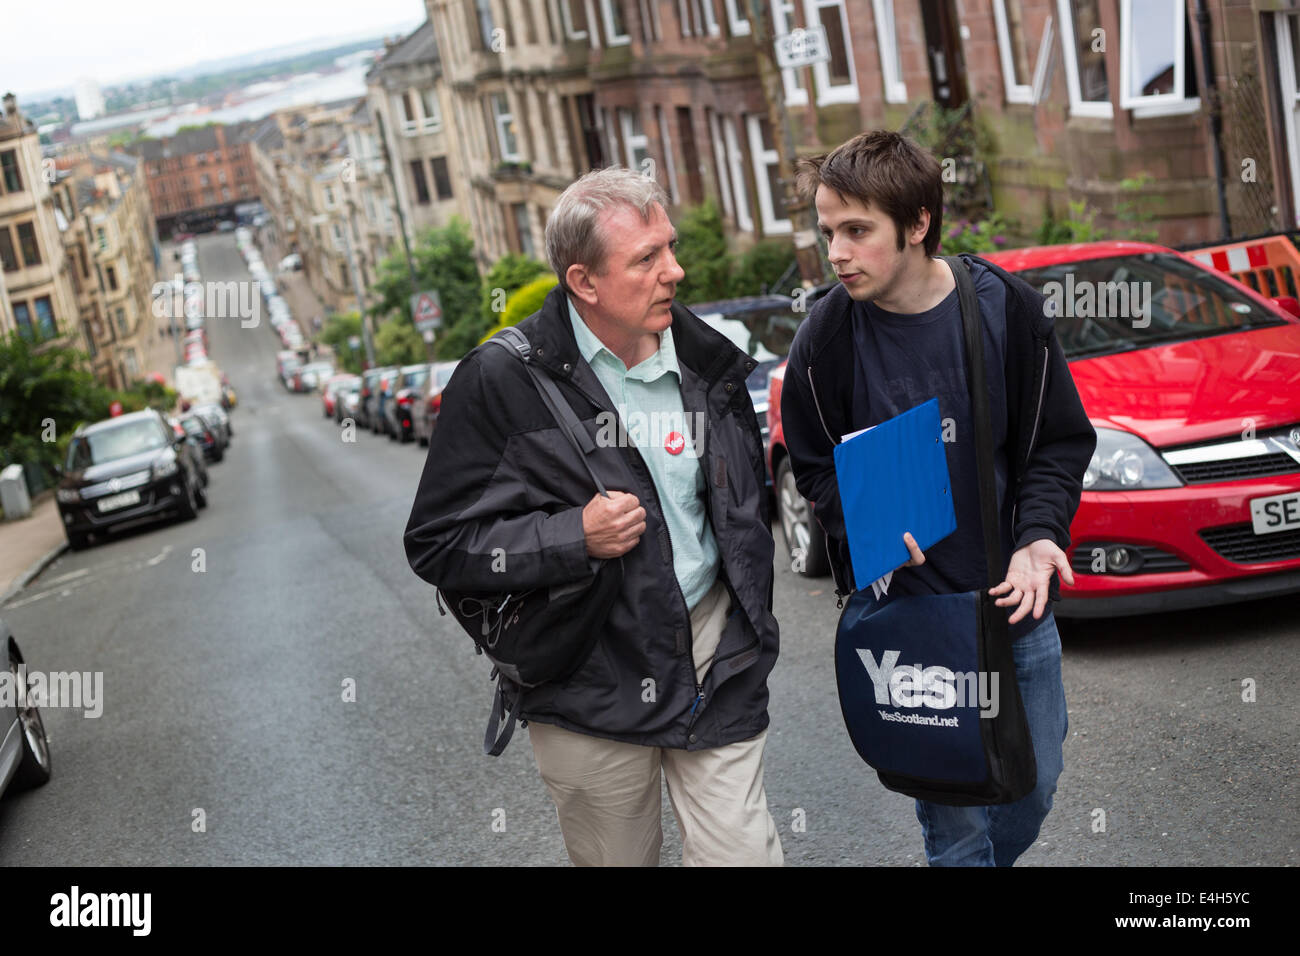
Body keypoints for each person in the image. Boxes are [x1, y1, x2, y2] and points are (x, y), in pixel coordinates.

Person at [404, 166, 783, 867]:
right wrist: (570, 536)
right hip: (589, 674)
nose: (676, 269)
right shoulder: (499, 381)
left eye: (669, 246)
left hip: (712, 650)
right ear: (584, 282)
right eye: (647, 258)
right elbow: (439, 542)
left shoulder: (703, 357)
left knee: (745, 857)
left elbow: (740, 504)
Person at [780, 131, 1096, 866]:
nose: (837, 252)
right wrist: (866, 529)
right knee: (955, 832)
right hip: (915, 617)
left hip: (1014, 605)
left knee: (1034, 786)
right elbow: (814, 467)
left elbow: (1056, 442)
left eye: (858, 231)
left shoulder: (1006, 310)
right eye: (828, 232)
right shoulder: (825, 339)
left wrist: (1039, 536)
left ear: (917, 223)